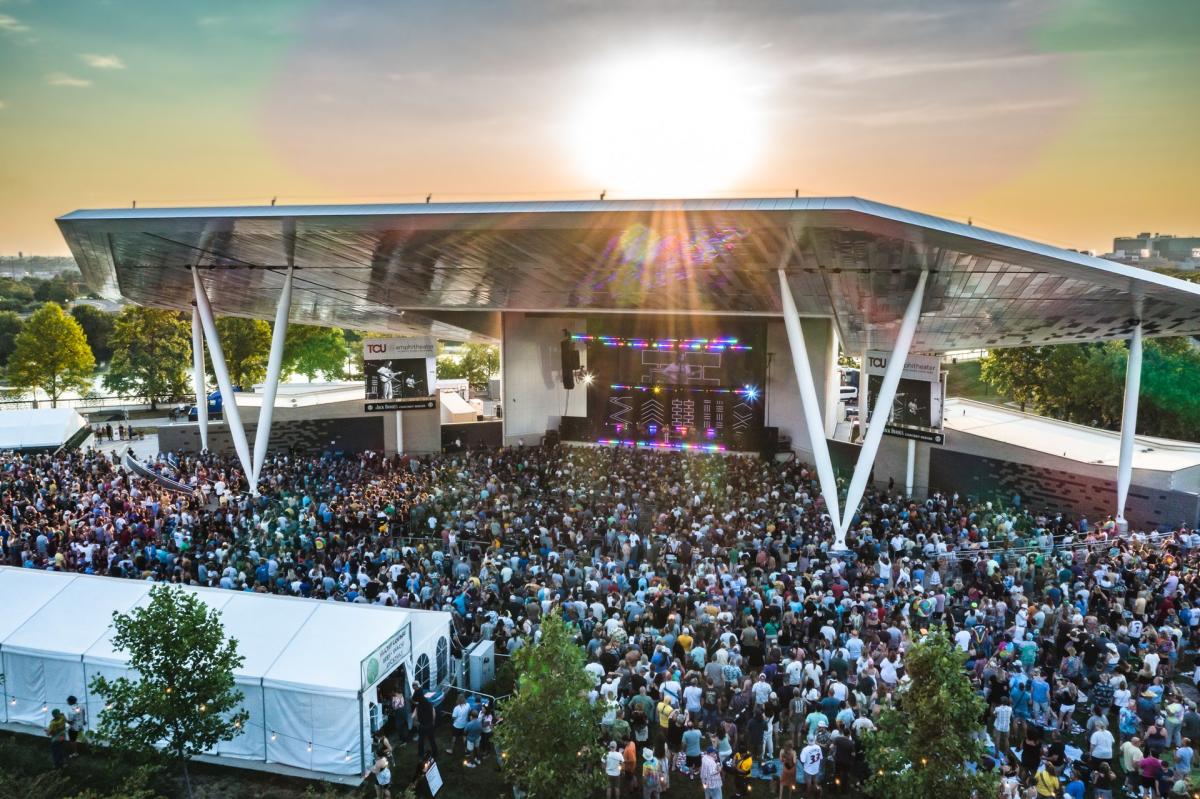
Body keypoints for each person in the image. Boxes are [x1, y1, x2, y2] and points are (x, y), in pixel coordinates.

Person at [413, 688, 438, 760]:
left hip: (422, 725)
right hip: (429, 724)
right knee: (432, 739)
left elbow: (417, 717)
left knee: (421, 740)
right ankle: (435, 753)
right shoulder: (429, 704)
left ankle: (421, 753)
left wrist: (417, 722)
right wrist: (433, 722)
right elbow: (433, 714)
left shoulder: (419, 707)